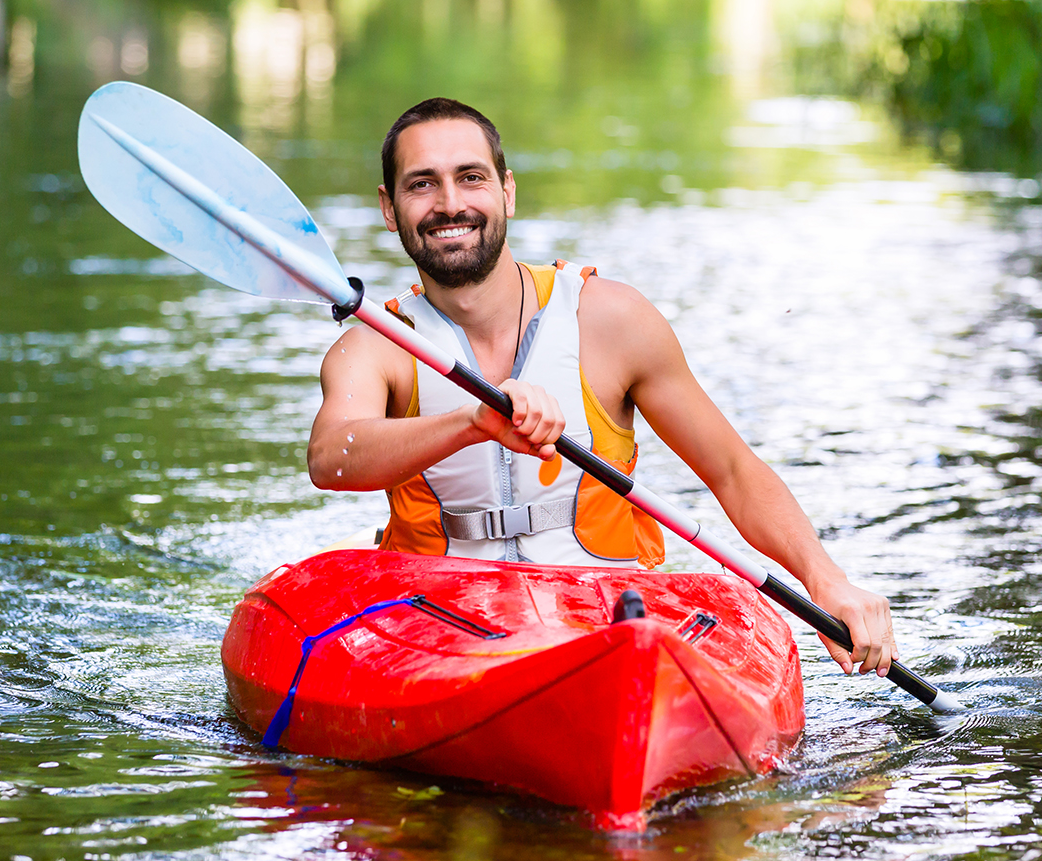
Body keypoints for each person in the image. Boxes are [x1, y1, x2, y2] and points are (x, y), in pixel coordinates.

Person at [307, 98, 899, 678]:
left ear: (507, 190)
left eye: (470, 177)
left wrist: (827, 581)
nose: (450, 203)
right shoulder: (376, 346)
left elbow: (732, 472)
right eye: (422, 184)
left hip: (606, 616)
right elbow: (332, 460)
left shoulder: (610, 320)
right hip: (441, 625)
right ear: (389, 207)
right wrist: (469, 424)